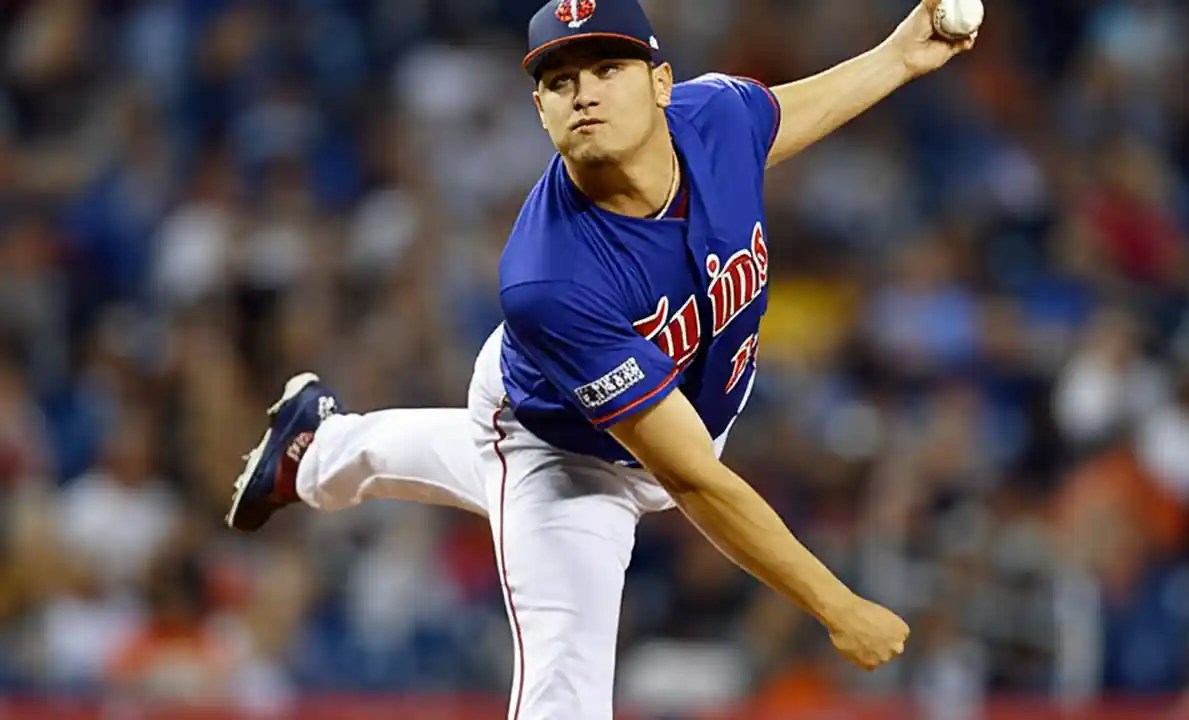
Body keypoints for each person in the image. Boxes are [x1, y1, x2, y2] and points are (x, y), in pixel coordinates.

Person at [225, 0, 976, 716]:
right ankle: (319, 451)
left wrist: (899, 58)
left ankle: (313, 446)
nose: (584, 93)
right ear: (540, 110)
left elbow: (777, 123)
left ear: (660, 84)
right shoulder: (548, 276)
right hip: (562, 447)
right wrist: (834, 605)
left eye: (607, 68)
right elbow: (689, 477)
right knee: (566, 686)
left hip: (647, 413)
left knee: (469, 462)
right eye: (560, 80)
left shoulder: (716, 117)